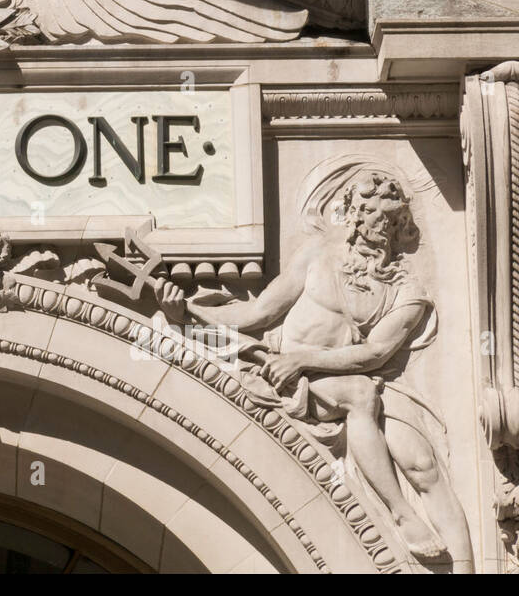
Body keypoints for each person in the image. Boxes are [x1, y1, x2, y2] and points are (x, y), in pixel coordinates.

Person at [174, 171, 472, 571]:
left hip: (344, 372)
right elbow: (259, 312)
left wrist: (305, 360)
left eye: (387, 217)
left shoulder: (409, 291)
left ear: (400, 225)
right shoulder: (316, 255)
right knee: (361, 396)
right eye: (367, 212)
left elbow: (375, 353)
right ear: (350, 214)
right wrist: (190, 313)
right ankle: (400, 511)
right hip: (290, 376)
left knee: (423, 464)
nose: (376, 224)